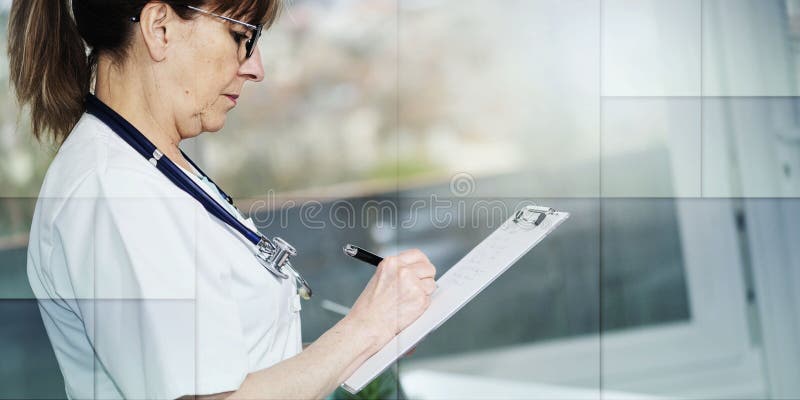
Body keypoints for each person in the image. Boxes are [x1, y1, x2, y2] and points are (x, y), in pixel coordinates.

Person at [8, 1, 436, 399]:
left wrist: (371, 339)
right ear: (159, 28)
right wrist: (366, 328)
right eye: (241, 36)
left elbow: (235, 364)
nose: (256, 68)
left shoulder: (155, 167)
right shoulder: (114, 193)